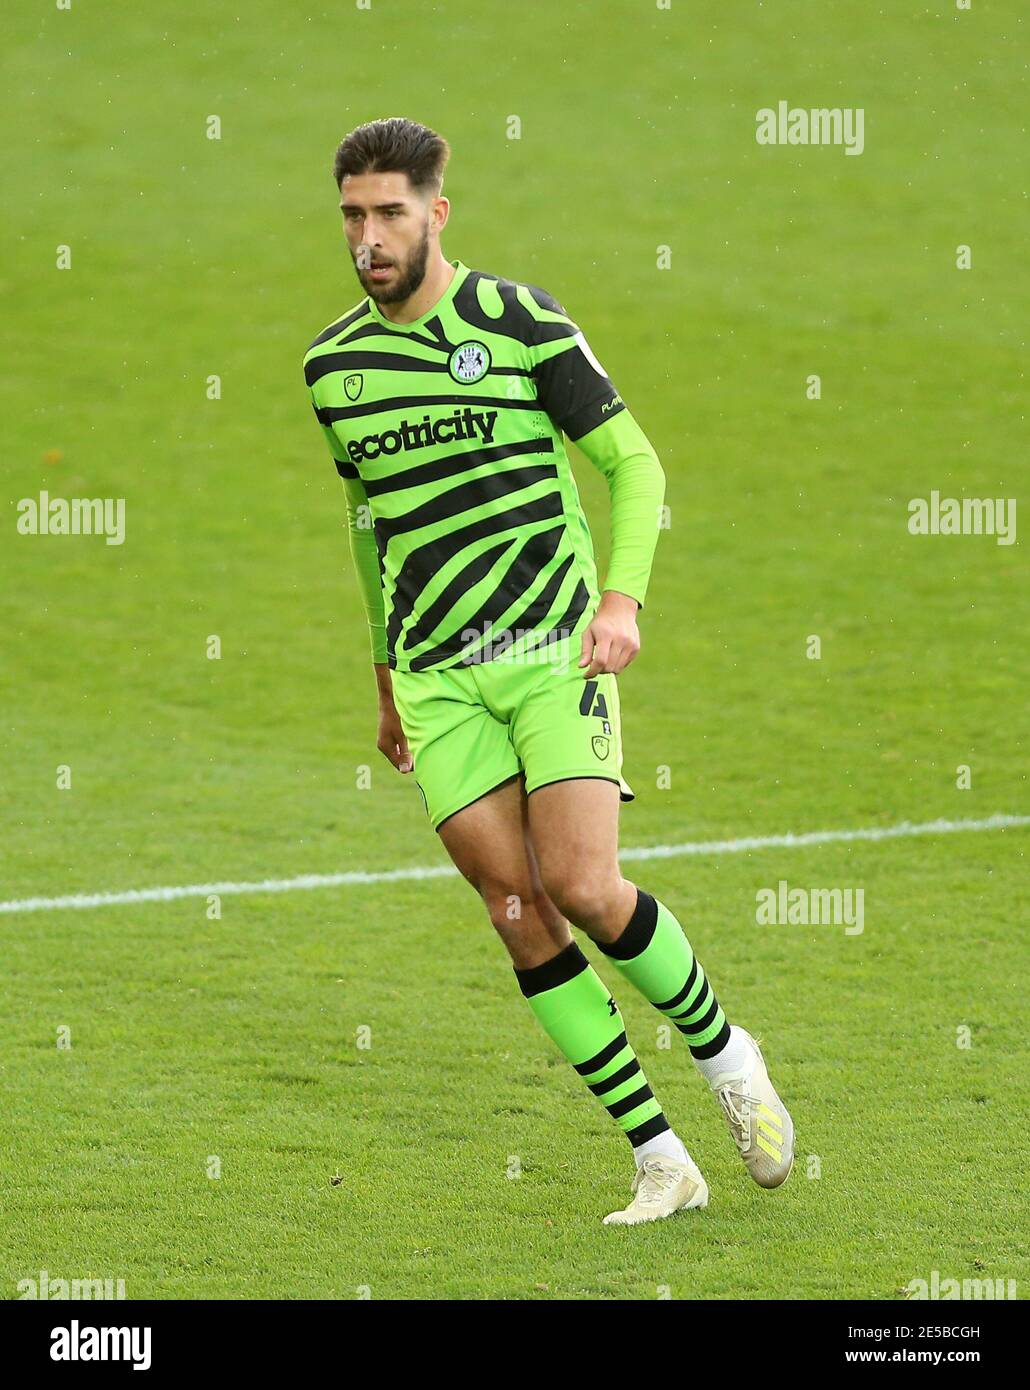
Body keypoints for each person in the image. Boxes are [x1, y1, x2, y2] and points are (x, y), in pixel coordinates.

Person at [303, 117, 793, 1224]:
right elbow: (367, 522)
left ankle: (726, 1060)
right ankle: (660, 1155)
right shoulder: (331, 367)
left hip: (547, 649)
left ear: (437, 212)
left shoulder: (519, 320)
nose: (367, 237)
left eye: (387, 213)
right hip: (436, 676)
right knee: (518, 906)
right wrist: (385, 676)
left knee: (580, 882)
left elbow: (632, 462)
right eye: (350, 215)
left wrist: (620, 599)